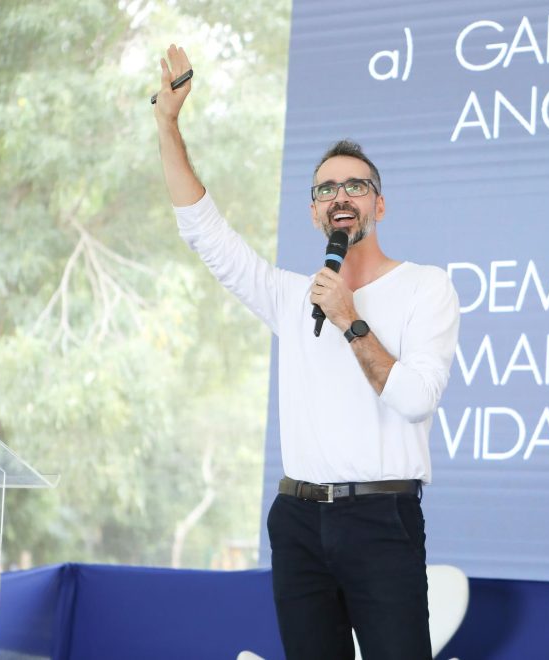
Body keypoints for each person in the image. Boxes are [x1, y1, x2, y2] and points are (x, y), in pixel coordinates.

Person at [153, 44, 460, 660]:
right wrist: (167, 124)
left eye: (355, 185)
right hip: (297, 521)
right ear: (314, 211)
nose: (339, 195)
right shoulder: (290, 296)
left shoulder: (427, 285)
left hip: (381, 518)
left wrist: (350, 320)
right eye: (325, 189)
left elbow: (416, 399)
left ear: (379, 203)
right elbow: (204, 232)